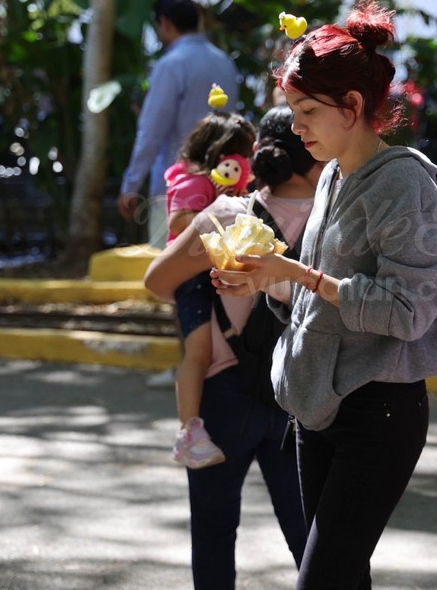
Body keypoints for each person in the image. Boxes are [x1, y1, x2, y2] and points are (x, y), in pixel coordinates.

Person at [214, 0, 437, 590]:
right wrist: (267, 277)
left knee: (322, 579)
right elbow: (312, 295)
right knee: (340, 577)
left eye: (306, 112)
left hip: (378, 410)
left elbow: (409, 313)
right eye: (292, 112)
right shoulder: (331, 173)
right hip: (317, 400)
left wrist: (296, 275)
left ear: (352, 106)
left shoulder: (403, 184)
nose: (296, 128)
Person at [144, 105, 316, 589]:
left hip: (223, 393)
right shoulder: (337, 220)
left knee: (215, 534)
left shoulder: (228, 214)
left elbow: (157, 280)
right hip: (300, 395)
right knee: (312, 541)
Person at [164, 112, 255, 469]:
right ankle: (188, 433)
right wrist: (218, 205)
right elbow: (178, 220)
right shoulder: (194, 181)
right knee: (197, 354)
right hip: (192, 276)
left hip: (210, 270)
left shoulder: (223, 181)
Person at [118, 0, 240, 250]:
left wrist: (131, 185)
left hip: (176, 186)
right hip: (223, 183)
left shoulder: (171, 65)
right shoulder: (224, 62)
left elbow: (151, 131)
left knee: (170, 271)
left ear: (164, 23)